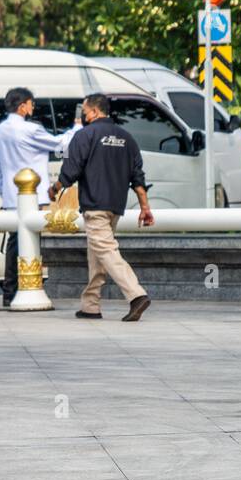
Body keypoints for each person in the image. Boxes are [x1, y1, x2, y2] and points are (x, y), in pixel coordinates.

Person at [49, 93, 154, 322]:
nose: (84, 116)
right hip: (116, 206)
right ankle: (91, 305)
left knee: (105, 251)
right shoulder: (127, 138)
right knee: (98, 253)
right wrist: (145, 207)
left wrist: (55, 187)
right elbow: (138, 178)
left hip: (95, 205)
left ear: (95, 112)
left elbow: (71, 169)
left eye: (85, 112)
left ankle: (136, 295)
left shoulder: (85, 135)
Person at [0, 87, 79, 306]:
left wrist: (7, 193)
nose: (32, 108)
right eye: (31, 104)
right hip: (33, 196)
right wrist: (77, 127)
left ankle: (10, 292)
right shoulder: (29, 130)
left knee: (14, 243)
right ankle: (26, 287)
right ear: (22, 106)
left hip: (11, 196)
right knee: (30, 241)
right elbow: (60, 145)